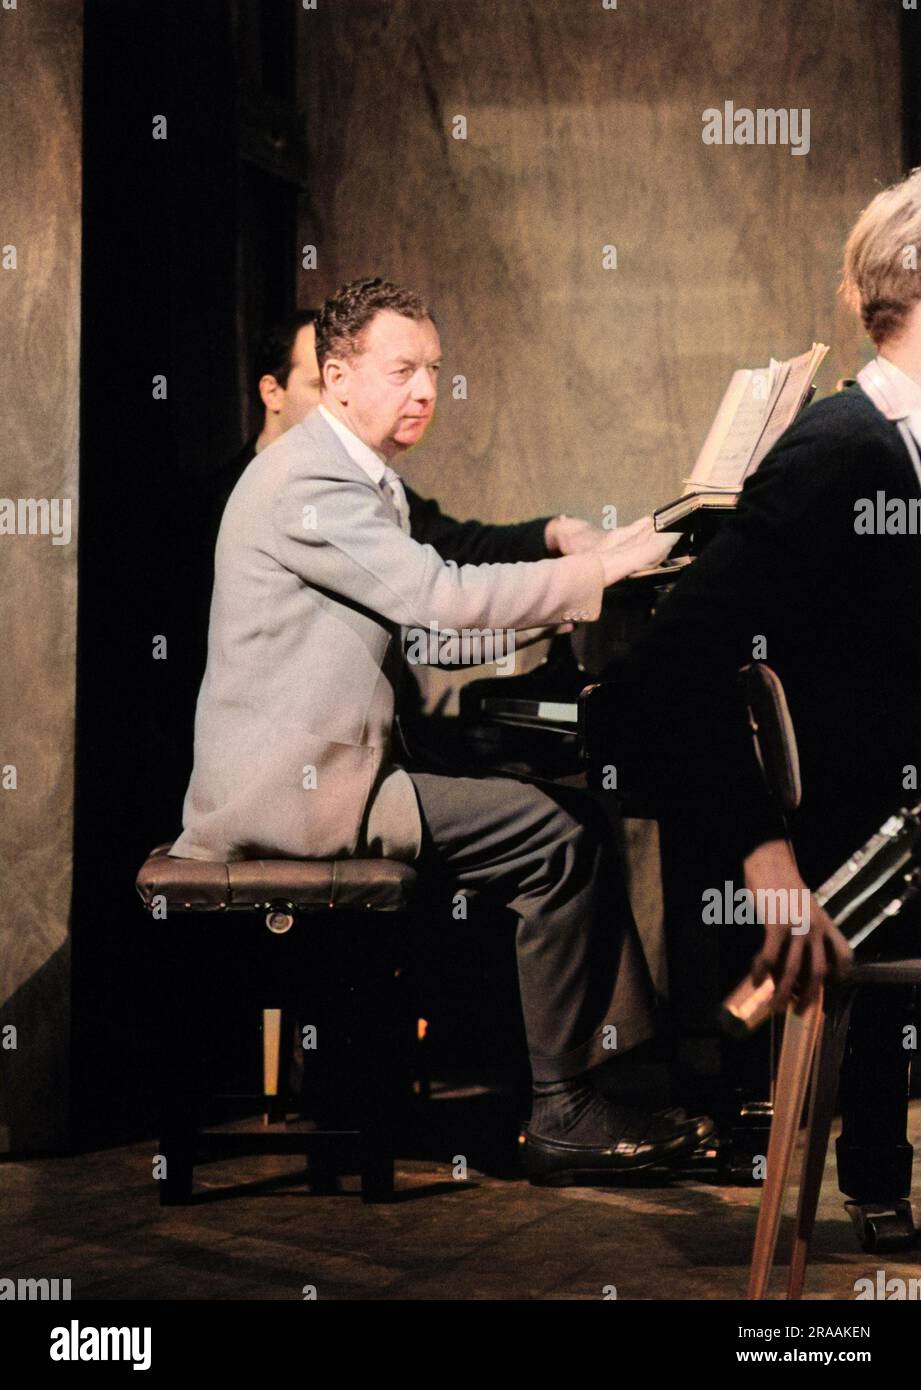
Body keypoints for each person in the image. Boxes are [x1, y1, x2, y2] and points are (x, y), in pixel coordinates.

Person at [170, 276, 714, 1183]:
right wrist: (607, 566)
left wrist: (576, 600)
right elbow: (441, 602)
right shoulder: (312, 482)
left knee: (552, 820)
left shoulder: (351, 474)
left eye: (433, 370)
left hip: (323, 775)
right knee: (562, 832)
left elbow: (430, 632)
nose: (425, 390)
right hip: (291, 796)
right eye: (401, 370)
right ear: (337, 377)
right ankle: (568, 1107)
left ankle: (577, 1082)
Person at [620, 170, 921, 1204]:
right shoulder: (840, 452)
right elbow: (671, 664)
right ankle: (879, 1167)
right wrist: (765, 854)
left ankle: (881, 1170)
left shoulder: (893, 446)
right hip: (879, 844)